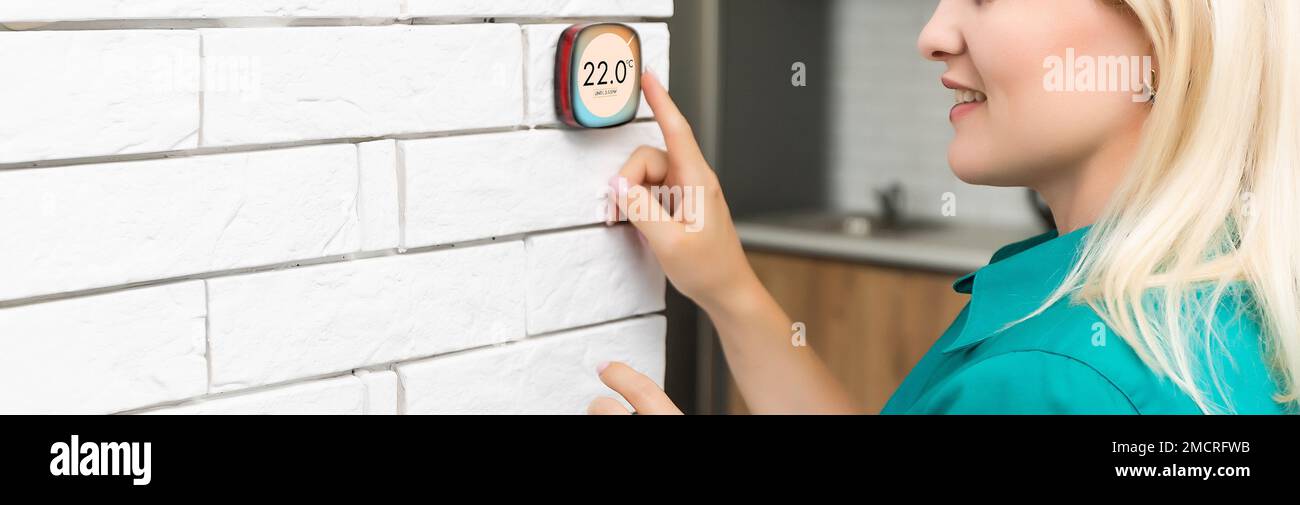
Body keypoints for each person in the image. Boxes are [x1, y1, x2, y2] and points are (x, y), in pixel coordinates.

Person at [588, 0, 1298, 415]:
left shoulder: (1056, 381)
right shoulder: (1211, 297)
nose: (934, 32)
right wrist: (728, 286)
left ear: (1162, 33)